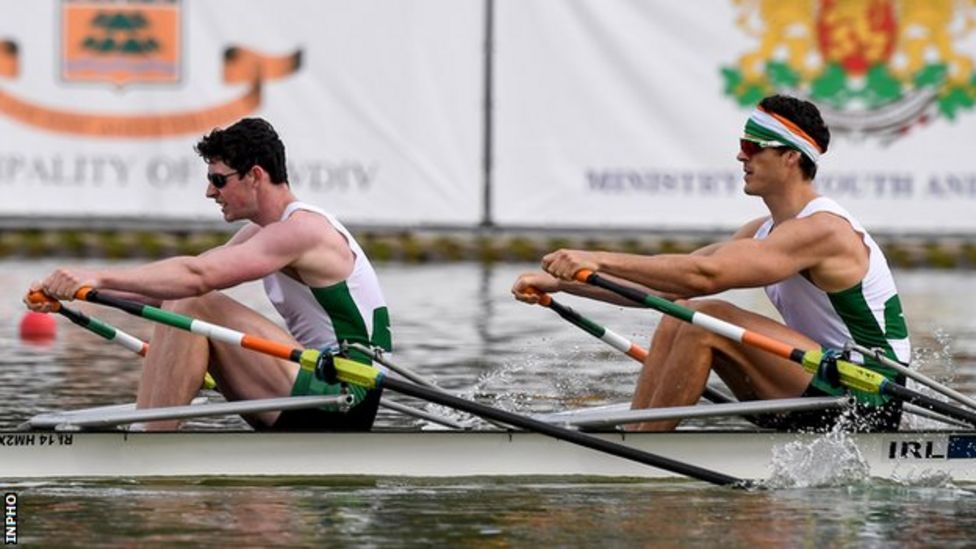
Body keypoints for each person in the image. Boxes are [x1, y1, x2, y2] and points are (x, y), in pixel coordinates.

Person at [512, 95, 910, 432]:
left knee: (708, 319)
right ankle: (637, 436)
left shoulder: (824, 230)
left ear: (790, 157)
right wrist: (565, 284)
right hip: (819, 383)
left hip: (868, 396)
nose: (741, 155)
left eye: (754, 147)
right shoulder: (762, 230)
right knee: (679, 313)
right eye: (743, 144)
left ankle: (643, 453)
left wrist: (594, 256)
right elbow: (670, 286)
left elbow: (706, 275)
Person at [24, 117, 392, 432]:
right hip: (313, 385)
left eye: (218, 179)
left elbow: (196, 278)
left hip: (344, 393)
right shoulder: (265, 233)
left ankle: (148, 444)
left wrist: (98, 276)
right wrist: (78, 292)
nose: (209, 191)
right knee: (185, 301)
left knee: (195, 300)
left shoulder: (304, 231)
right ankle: (150, 435)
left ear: (255, 176)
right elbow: (172, 287)